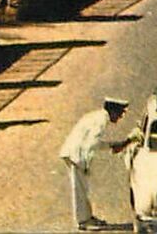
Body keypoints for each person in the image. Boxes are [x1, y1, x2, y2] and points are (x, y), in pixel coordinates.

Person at [58, 98, 132, 230]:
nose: (120, 117)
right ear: (112, 111)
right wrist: (86, 164)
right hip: (76, 154)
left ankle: (87, 217)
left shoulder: (97, 116)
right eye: (120, 113)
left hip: (75, 152)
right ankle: (83, 221)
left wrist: (112, 145)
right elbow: (91, 144)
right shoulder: (100, 121)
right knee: (80, 189)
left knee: (83, 188)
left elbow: (92, 142)